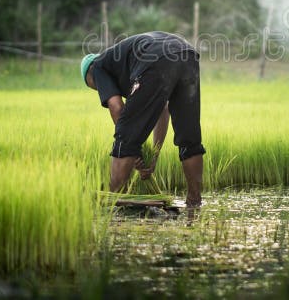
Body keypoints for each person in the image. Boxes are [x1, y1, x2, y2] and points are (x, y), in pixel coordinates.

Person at [81, 31, 205, 208]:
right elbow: (162, 109)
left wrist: (134, 149)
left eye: (93, 87)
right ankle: (194, 202)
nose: (99, 90)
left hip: (157, 56)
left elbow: (116, 107)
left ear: (89, 77)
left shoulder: (98, 66)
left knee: (125, 139)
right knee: (189, 138)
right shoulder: (122, 64)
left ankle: (111, 202)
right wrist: (153, 155)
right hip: (187, 54)